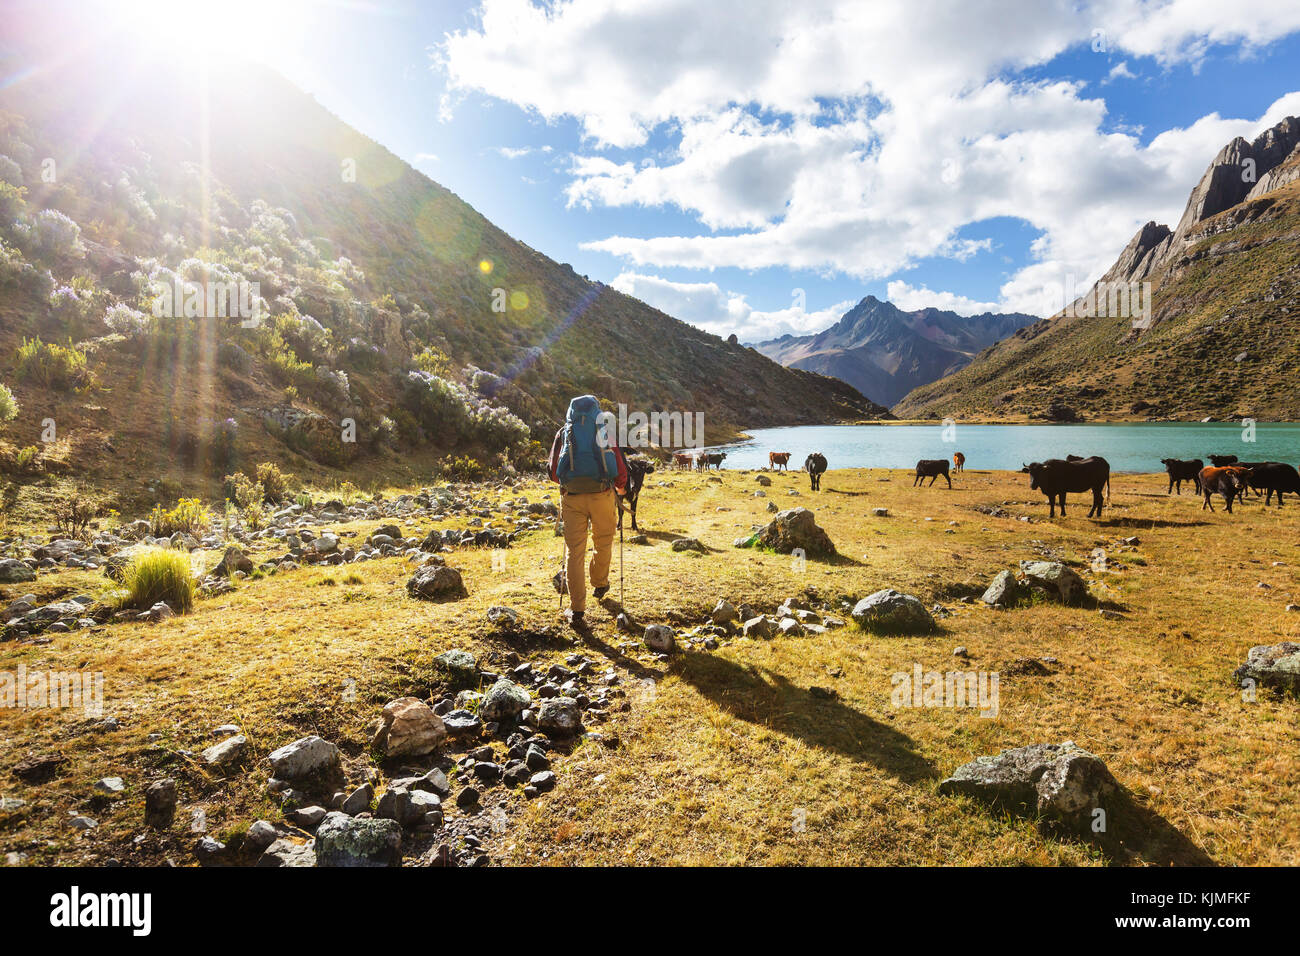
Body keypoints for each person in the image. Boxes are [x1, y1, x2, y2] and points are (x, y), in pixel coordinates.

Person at [548, 395, 627, 627]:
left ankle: (577, 609)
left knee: (575, 551)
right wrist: (620, 486)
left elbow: (554, 473)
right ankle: (600, 583)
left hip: (572, 497)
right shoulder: (603, 430)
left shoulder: (564, 432)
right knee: (603, 541)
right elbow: (619, 467)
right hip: (601, 494)